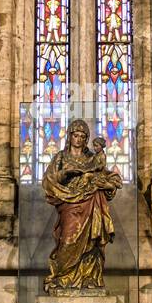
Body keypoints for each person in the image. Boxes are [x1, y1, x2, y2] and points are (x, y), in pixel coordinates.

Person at [42, 119, 122, 293]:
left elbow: (107, 178)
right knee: (68, 240)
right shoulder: (61, 158)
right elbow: (50, 180)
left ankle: (89, 279)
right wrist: (67, 173)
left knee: (91, 244)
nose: (78, 139)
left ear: (86, 139)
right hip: (68, 206)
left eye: (82, 136)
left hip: (90, 204)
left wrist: (106, 185)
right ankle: (62, 278)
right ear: (70, 136)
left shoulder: (93, 158)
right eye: (75, 135)